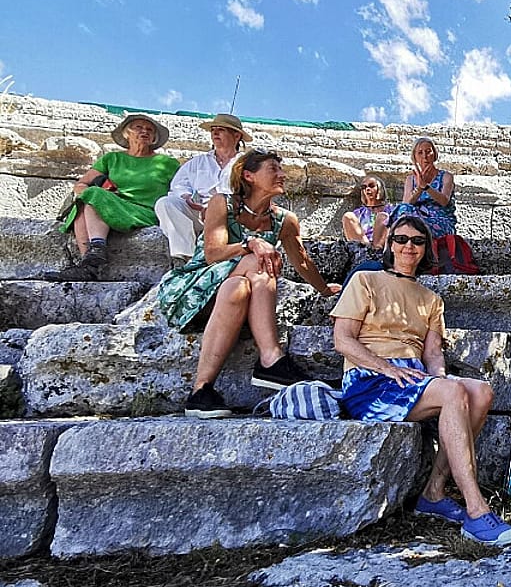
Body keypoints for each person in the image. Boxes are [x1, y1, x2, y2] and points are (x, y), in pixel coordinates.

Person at [331, 215, 511, 546]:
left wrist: (444, 384)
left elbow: (433, 354)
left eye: (417, 241)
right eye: (401, 239)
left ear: (425, 249)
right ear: (390, 244)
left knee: (480, 392)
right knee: (453, 393)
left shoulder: (431, 299)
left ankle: (434, 491)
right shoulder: (365, 280)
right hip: (370, 381)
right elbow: (343, 340)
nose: (409, 246)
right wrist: (386, 368)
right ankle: (477, 511)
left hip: (411, 378)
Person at [158, 150, 341, 419]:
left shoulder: (285, 220)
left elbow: (301, 261)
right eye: (273, 169)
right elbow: (212, 253)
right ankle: (271, 358)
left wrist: (325, 290)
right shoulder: (223, 203)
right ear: (248, 176)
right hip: (196, 288)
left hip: (231, 292)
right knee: (258, 260)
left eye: (281, 169)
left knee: (238, 289)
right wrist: (250, 243)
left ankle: (200, 391)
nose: (282, 174)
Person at [46, 112, 180, 282]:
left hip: (147, 211)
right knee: (87, 199)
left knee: (91, 196)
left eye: (149, 130)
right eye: (138, 127)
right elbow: (81, 185)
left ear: (153, 137)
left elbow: (180, 190)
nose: (144, 132)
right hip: (114, 204)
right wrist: (101, 196)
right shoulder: (112, 158)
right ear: (127, 133)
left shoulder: (168, 163)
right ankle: (89, 262)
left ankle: (96, 250)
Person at [155, 113, 251, 262]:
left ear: (237, 136)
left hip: (232, 216)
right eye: (213, 130)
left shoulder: (247, 163)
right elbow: (178, 186)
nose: (215, 133)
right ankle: (188, 257)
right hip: (199, 213)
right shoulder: (198, 162)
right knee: (165, 203)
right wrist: (187, 197)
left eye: (222, 130)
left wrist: (218, 208)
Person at [375, 138, 456, 244]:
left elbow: (444, 201)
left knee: (405, 222)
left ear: (434, 154)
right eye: (420, 153)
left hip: (439, 220)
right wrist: (419, 188)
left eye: (428, 152)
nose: (424, 156)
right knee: (402, 212)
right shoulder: (411, 179)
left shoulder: (446, 176)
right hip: (416, 217)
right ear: (415, 157)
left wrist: (427, 187)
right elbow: (406, 203)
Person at [342, 175, 391, 244]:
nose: (367, 189)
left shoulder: (391, 210)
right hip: (362, 247)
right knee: (348, 216)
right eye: (364, 187)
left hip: (382, 246)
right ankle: (366, 250)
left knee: (382, 216)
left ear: (379, 188)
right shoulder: (358, 213)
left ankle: (374, 250)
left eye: (371, 186)